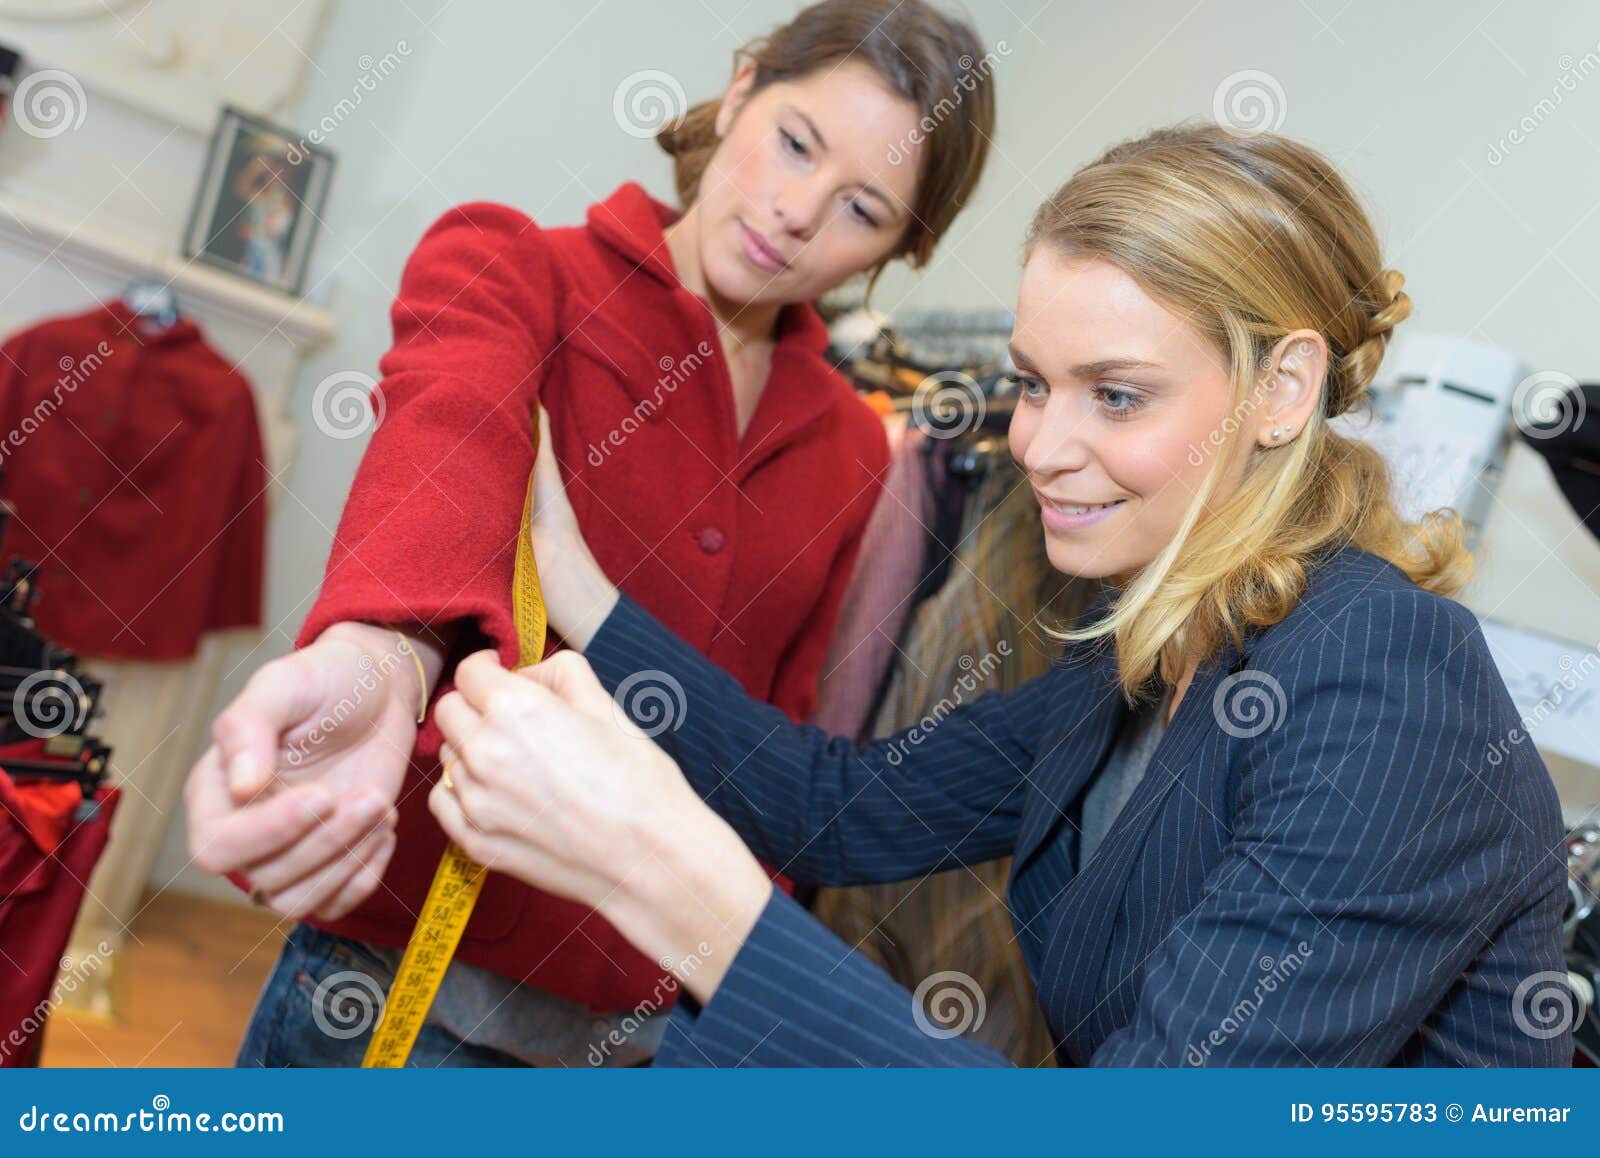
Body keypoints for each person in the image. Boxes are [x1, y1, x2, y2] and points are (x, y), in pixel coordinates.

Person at [423, 123, 1573, 1066]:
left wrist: (674, 887)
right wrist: (577, 586)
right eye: (1031, 384)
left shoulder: (1385, 680)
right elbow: (836, 808)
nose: (1038, 448)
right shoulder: (1146, 649)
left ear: (1280, 391)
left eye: (1114, 396)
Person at [185, 0, 995, 1067]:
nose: (798, 212)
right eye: (797, 142)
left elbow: (780, 731)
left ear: (902, 247)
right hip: (404, 992)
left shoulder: (855, 443)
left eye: (862, 207)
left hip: (653, 1036)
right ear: (741, 92)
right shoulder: (520, 272)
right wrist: (380, 655)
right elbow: (448, 438)